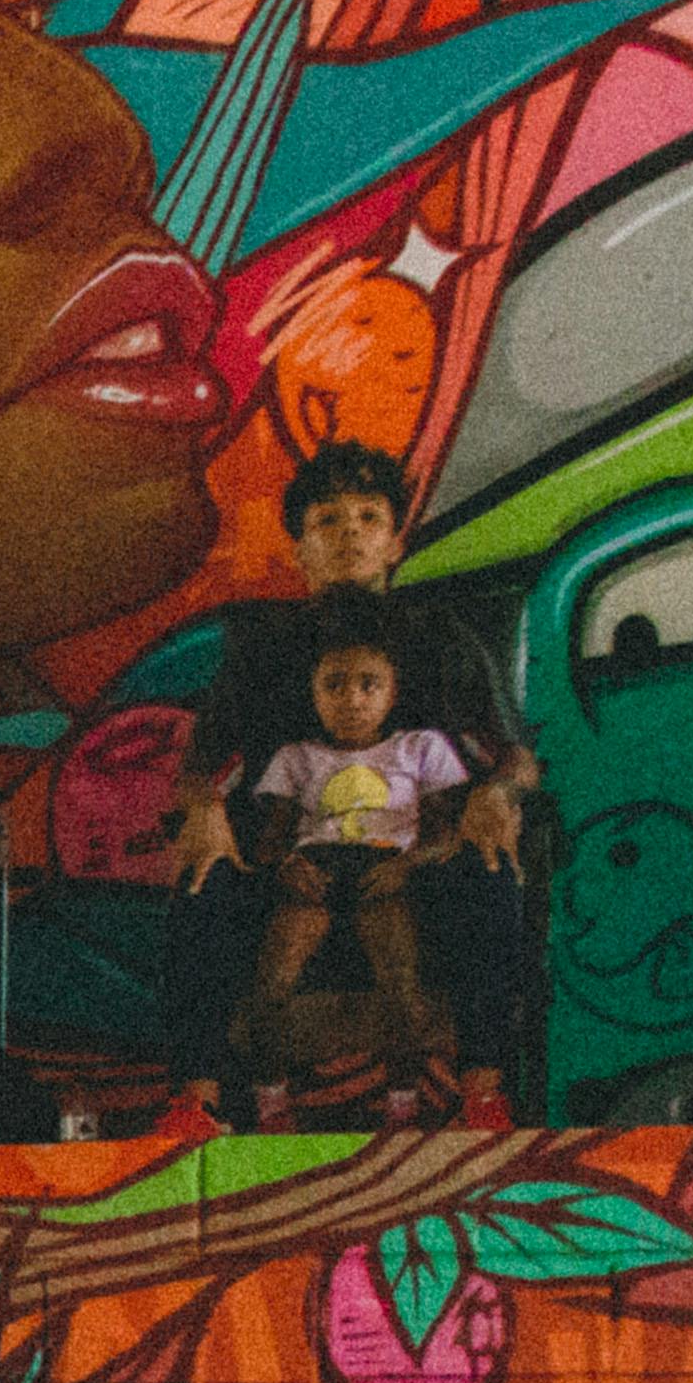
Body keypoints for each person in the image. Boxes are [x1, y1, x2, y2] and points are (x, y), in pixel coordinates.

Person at [159, 443, 539, 1110]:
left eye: (368, 517)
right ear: (299, 548)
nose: (350, 533)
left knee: (492, 870)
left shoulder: (439, 633)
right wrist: (204, 809)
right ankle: (200, 1101)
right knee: (203, 878)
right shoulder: (264, 646)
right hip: (286, 852)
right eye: (328, 520)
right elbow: (199, 766)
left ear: (395, 543)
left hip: (419, 851)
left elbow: (515, 754)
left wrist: (496, 792)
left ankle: (484, 1091)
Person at [226, 605, 475, 1114]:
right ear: (314, 694)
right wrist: (285, 866)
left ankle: (402, 1104)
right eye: (335, 686)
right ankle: (271, 1100)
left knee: (401, 988)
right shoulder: (296, 756)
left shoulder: (418, 748)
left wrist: (405, 868)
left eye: (369, 685)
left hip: (386, 870)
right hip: (314, 868)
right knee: (272, 983)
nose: (352, 700)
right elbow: (271, 838)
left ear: (393, 691)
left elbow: (445, 832)